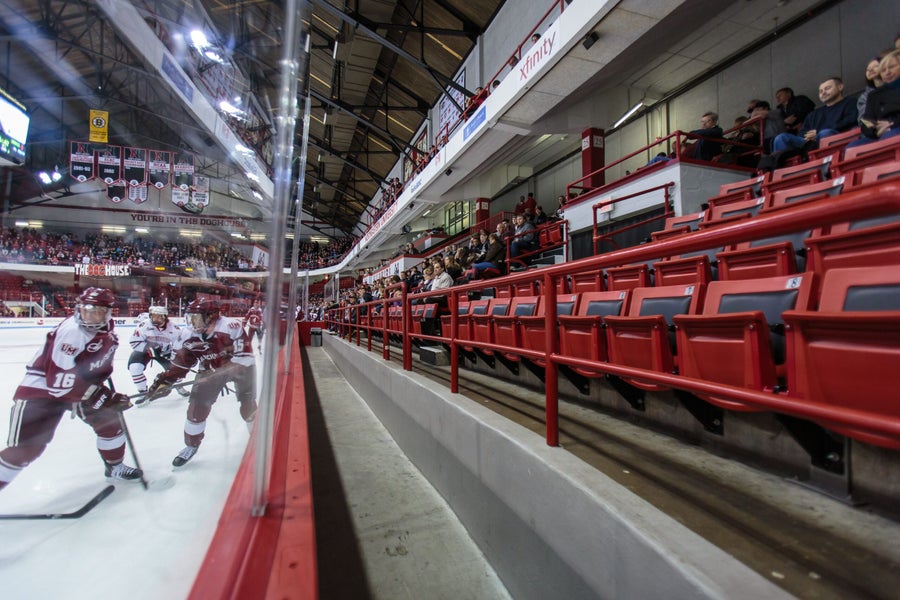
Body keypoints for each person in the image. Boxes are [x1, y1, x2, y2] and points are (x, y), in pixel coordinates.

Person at [0, 287, 140, 490]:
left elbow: (95, 368)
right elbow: (58, 382)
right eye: (86, 310)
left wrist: (105, 395)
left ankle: (114, 466)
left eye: (96, 311)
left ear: (108, 313)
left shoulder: (107, 329)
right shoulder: (72, 332)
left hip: (78, 386)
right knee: (25, 450)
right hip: (41, 391)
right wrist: (102, 396)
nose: (89, 316)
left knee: (109, 423)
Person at [146, 298, 257, 468]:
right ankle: (191, 445)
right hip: (209, 370)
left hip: (241, 368)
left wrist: (222, 373)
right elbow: (181, 365)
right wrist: (167, 379)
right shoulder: (187, 336)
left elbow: (246, 357)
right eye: (191, 317)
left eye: (197, 317)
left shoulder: (231, 327)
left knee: (248, 404)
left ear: (212, 316)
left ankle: (257, 440)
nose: (192, 322)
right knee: (196, 409)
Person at [771, 77, 858, 153]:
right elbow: (802, 133)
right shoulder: (814, 114)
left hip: (838, 138)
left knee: (825, 133)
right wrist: (808, 137)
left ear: (840, 87)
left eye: (827, 88)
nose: (823, 93)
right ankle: (783, 170)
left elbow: (850, 121)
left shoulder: (851, 102)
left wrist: (818, 132)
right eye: (820, 91)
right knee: (781, 138)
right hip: (810, 143)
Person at [129, 305, 185, 406]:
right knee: (135, 368)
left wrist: (173, 354)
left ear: (165, 317)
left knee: (176, 369)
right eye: (154, 316)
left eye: (159, 317)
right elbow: (134, 342)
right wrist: (148, 348)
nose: (156, 319)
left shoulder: (174, 329)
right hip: (145, 350)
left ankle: (179, 385)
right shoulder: (144, 325)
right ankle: (142, 392)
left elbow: (180, 345)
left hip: (165, 351)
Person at [852, 50, 900, 146]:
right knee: (852, 147)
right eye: (883, 70)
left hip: (895, 129)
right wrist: (875, 131)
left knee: (889, 136)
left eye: (891, 67)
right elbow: (866, 121)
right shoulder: (874, 95)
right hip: (880, 133)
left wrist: (892, 123)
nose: (887, 72)